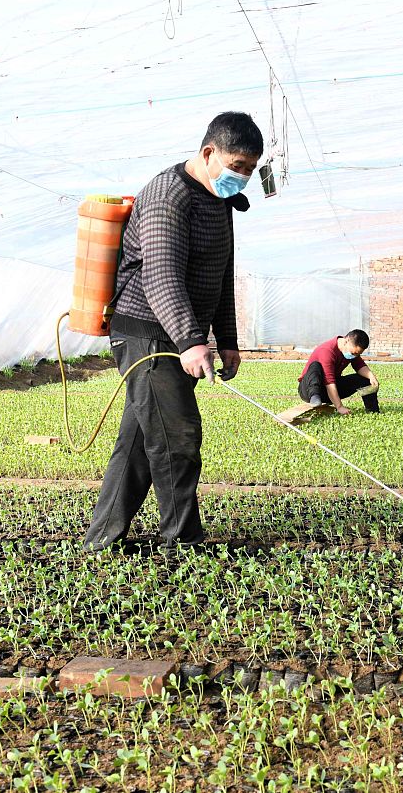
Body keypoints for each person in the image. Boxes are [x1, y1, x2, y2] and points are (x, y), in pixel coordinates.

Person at [83, 112, 263, 551]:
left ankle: (101, 538)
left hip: (175, 333)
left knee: (142, 440)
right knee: (177, 436)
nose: (240, 178)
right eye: (236, 166)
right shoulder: (169, 196)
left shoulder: (219, 200)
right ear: (208, 153)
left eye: (249, 171)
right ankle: (183, 539)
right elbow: (160, 277)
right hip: (146, 333)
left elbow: (221, 272)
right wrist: (190, 341)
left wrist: (228, 339)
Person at [286, 330, 380, 422]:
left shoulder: (349, 350)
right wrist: (339, 406)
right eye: (354, 353)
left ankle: (373, 411)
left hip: (328, 391)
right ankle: (315, 398)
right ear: (346, 341)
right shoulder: (327, 351)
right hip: (308, 390)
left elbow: (359, 365)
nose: (355, 356)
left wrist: (371, 377)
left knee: (365, 379)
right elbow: (329, 380)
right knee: (316, 365)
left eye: (358, 354)